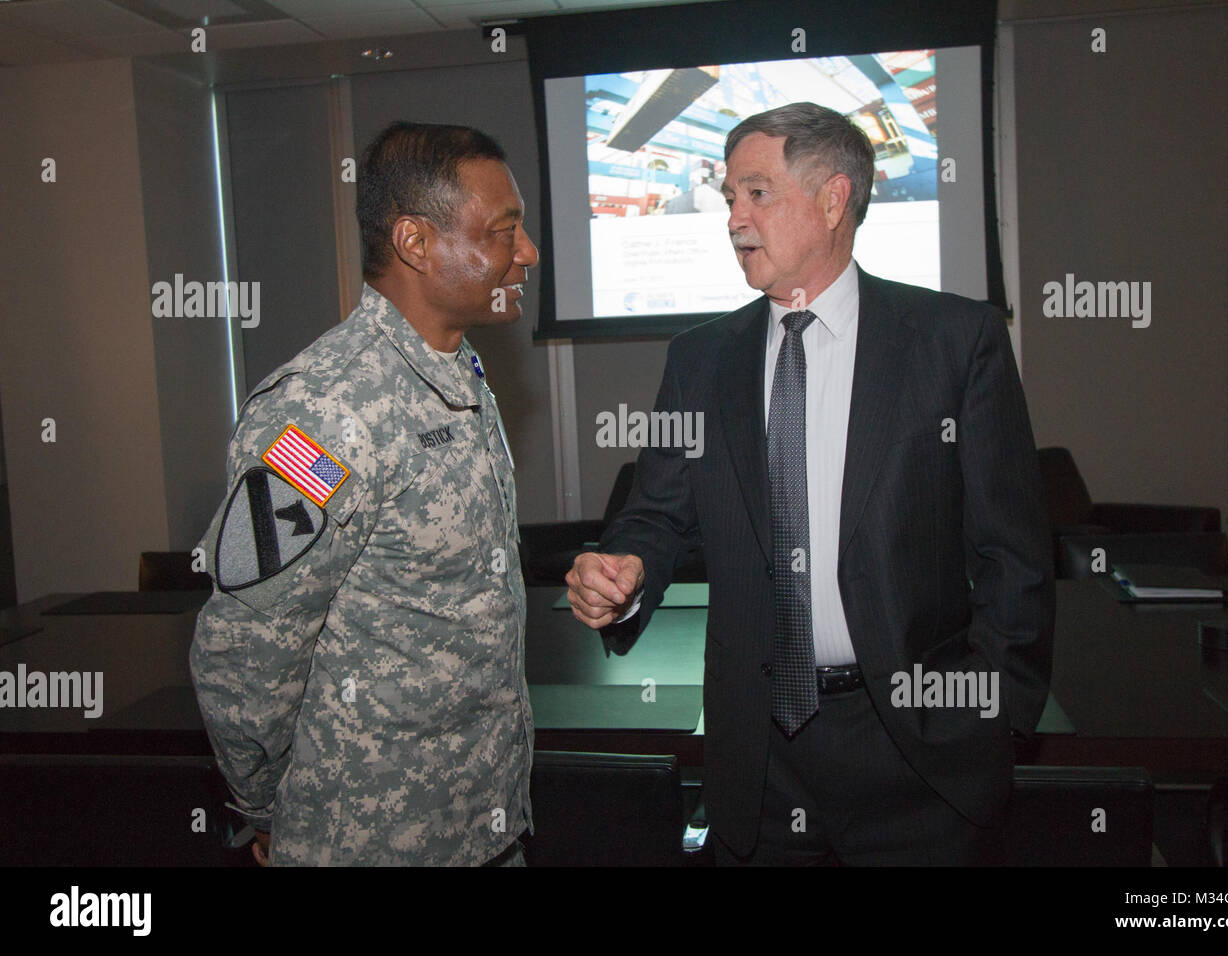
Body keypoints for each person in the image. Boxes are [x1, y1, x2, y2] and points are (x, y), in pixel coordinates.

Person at [566, 102, 1054, 865]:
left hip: (918, 757)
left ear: (833, 200)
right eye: (729, 197)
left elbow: (1014, 555)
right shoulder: (699, 360)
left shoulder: (957, 343)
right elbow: (654, 517)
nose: (733, 218)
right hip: (756, 763)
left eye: (756, 193)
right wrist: (623, 569)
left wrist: (992, 719)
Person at [190, 121, 539, 866]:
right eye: (504, 230)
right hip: (370, 843)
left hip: (482, 824)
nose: (527, 252)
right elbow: (244, 648)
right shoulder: (324, 414)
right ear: (415, 243)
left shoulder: (460, 374)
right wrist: (260, 808)